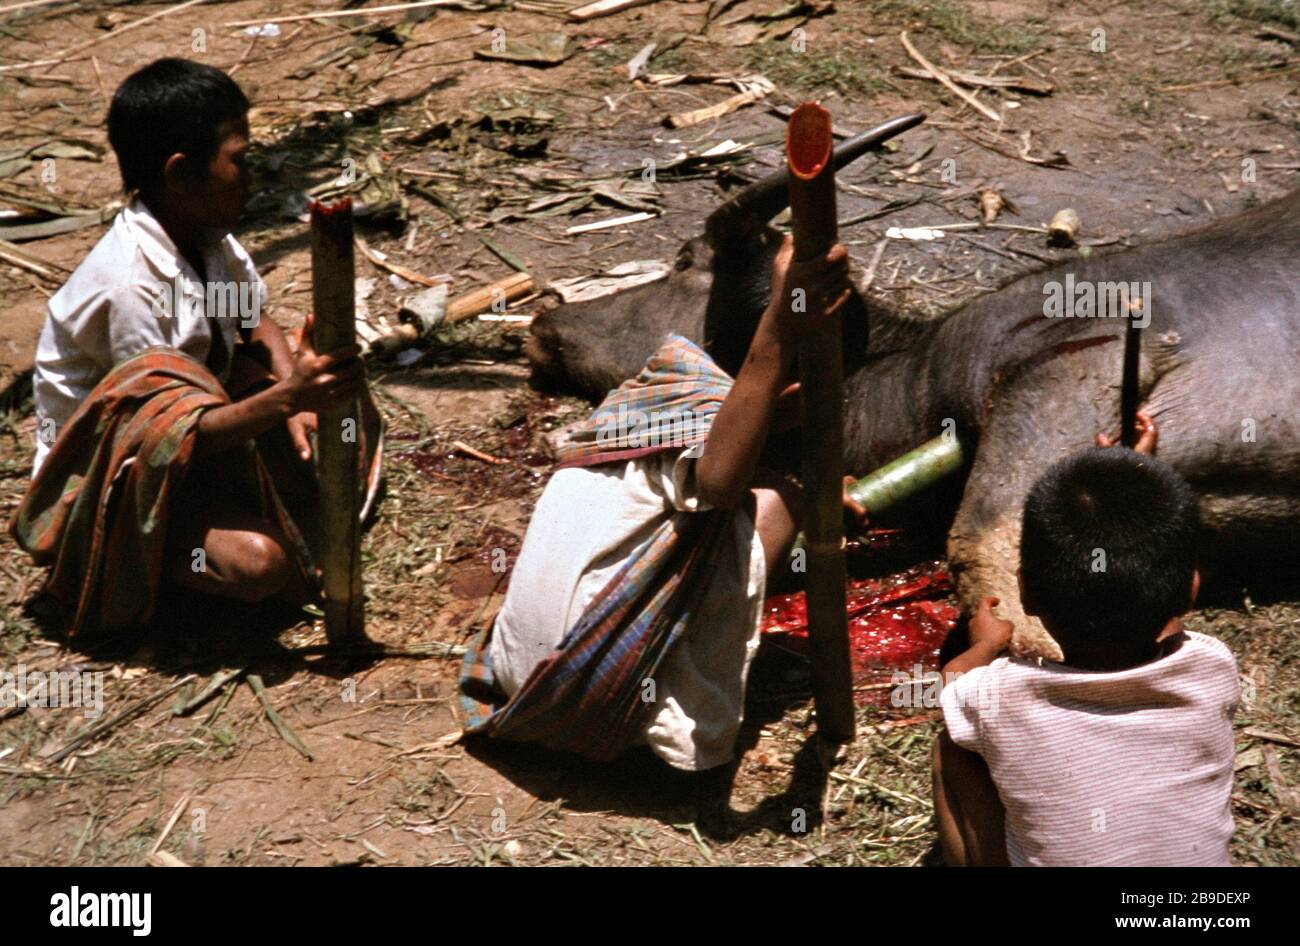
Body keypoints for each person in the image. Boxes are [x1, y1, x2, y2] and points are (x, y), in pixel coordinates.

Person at [460, 234, 868, 772]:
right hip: (598, 703)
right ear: (795, 393)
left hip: (517, 677)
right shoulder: (714, 430)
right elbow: (722, 484)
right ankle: (668, 708)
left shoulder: (656, 390)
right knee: (776, 501)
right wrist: (783, 327)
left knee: (753, 486)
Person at [11, 58, 378, 636]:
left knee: (342, 435)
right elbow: (166, 441)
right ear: (181, 175)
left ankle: (233, 518)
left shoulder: (206, 239)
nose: (252, 174)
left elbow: (253, 325)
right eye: (239, 160)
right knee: (262, 566)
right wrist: (286, 400)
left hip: (198, 442)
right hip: (117, 487)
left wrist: (298, 395)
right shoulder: (130, 286)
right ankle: (138, 570)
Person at [933, 416, 1240, 866]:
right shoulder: (1214, 667)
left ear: (1026, 592)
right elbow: (1167, 615)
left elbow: (950, 683)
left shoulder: (997, 696)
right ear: (1191, 591)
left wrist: (986, 643)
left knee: (952, 748)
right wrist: (1132, 482)